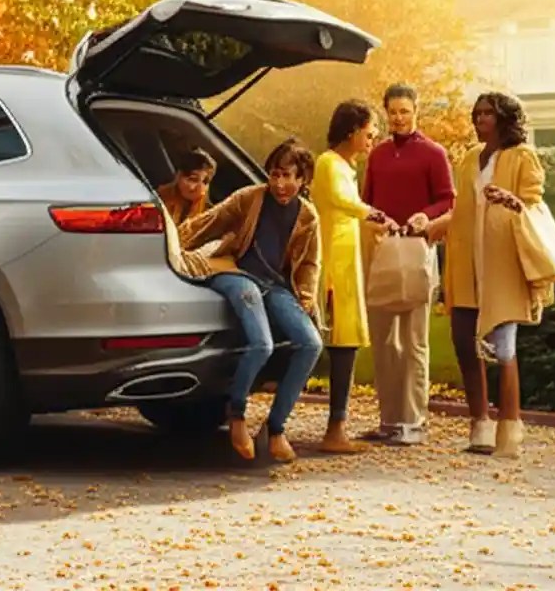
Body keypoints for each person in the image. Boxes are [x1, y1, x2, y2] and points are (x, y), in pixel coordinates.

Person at [178, 138, 323, 463]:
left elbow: (310, 262)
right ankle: (237, 414)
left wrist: (306, 296)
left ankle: (275, 428)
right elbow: (208, 224)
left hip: (275, 285)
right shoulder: (250, 198)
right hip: (235, 273)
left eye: (288, 177)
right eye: (274, 174)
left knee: (310, 344)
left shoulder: (308, 216)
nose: (280, 184)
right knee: (262, 344)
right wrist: (171, 242)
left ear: (303, 180)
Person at [437, 91, 546, 459]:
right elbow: (460, 210)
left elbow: (534, 203)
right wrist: (430, 226)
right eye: (476, 113)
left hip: (502, 262)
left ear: (503, 118)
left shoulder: (522, 156)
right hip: (468, 261)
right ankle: (479, 424)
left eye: (487, 113)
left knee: (504, 348)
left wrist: (513, 202)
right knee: (464, 342)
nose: (479, 119)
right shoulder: (469, 158)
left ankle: (510, 430)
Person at [359, 83, 455, 447]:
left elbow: (447, 200)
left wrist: (424, 217)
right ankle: (388, 421)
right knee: (384, 341)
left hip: (417, 251)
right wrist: (377, 220)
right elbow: (367, 201)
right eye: (393, 111)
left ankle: (414, 422)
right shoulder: (378, 155)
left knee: (414, 341)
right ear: (386, 112)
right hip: (384, 251)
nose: (398, 118)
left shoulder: (433, 153)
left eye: (405, 111)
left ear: (416, 111)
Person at [309, 99, 399, 455]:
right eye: (369, 133)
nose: (372, 140)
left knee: (345, 347)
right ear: (351, 130)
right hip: (333, 271)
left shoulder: (344, 166)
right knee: (341, 346)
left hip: (346, 268)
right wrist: (377, 215)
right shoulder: (328, 164)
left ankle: (337, 426)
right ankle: (334, 429)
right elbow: (345, 203)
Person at [157, 147, 217, 225]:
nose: (198, 187)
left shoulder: (209, 215)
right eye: (193, 179)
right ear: (179, 175)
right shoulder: (159, 199)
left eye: (205, 182)